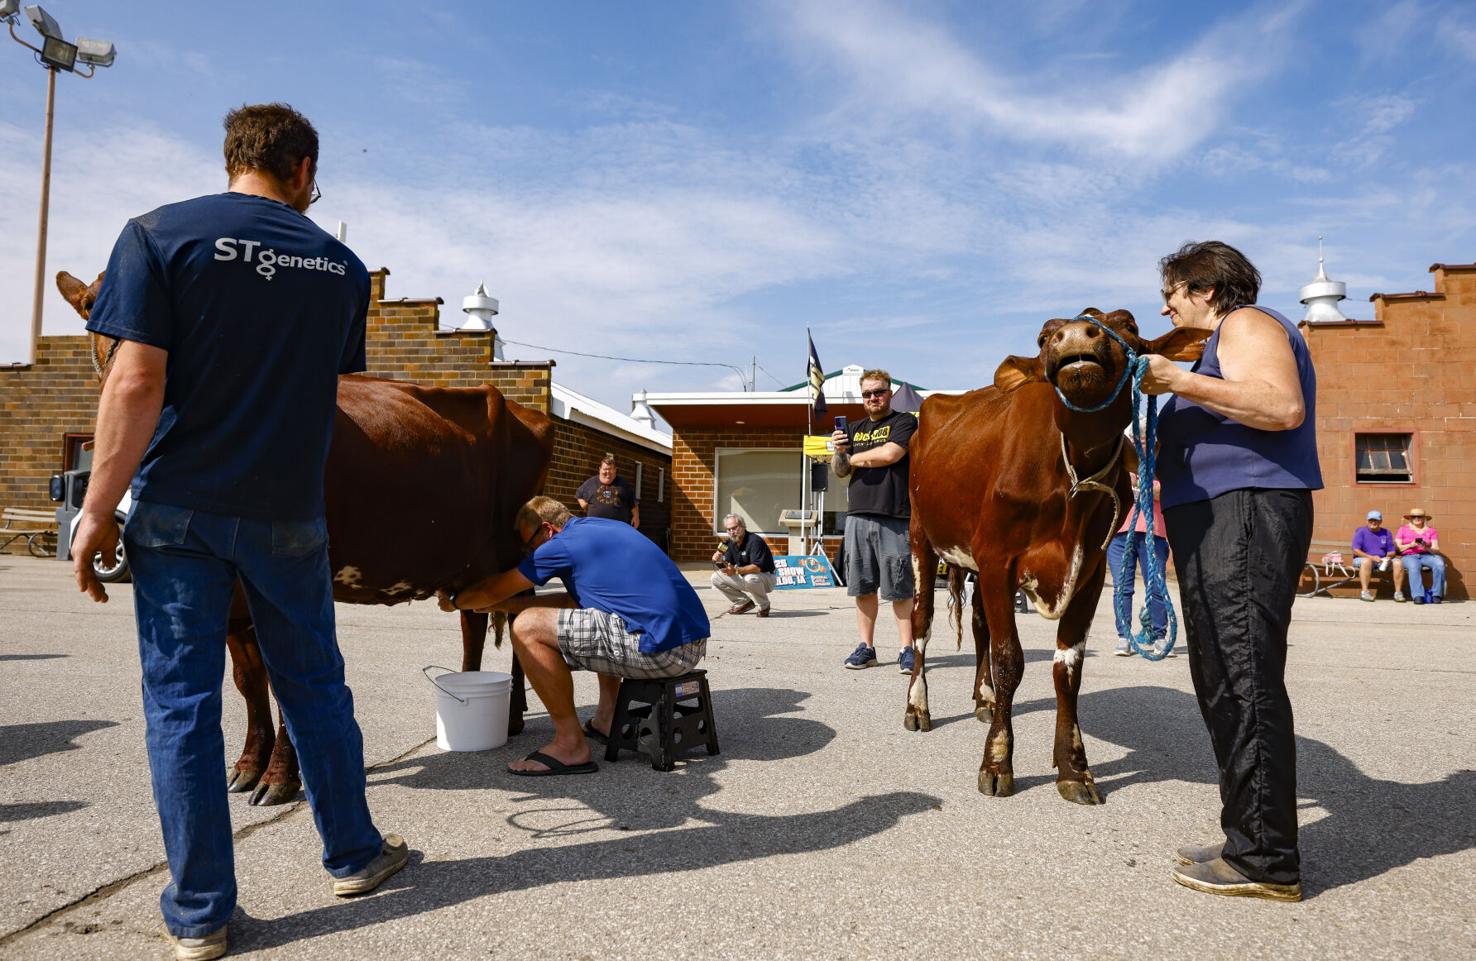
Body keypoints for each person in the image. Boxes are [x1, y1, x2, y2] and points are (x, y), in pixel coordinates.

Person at [72, 104, 405, 960]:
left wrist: (98, 506)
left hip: (179, 507)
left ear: (234, 159)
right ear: (300, 167)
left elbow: (136, 381)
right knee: (315, 687)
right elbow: (332, 391)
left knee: (182, 706)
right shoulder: (341, 267)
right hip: (289, 511)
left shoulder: (155, 236)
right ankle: (356, 853)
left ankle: (201, 914)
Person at [1140, 240, 1322, 902]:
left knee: (1242, 674)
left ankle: (1268, 860)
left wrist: (1178, 381)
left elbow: (1281, 408)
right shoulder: (1216, 348)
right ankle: (1248, 835)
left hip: (1244, 511)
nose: (1164, 303)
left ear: (1208, 289)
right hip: (1214, 516)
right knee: (1222, 676)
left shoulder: (1246, 324)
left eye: (1174, 290)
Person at [439, 496, 708, 775]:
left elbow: (492, 591)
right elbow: (576, 602)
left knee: (527, 627)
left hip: (661, 652)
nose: (528, 553)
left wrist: (455, 601)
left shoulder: (561, 545)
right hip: (689, 644)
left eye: (528, 544)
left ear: (548, 529)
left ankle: (570, 745)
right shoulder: (604, 529)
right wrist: (509, 605)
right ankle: (607, 717)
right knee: (596, 616)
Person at [831, 369, 917, 674]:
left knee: (899, 588)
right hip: (857, 516)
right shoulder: (853, 428)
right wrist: (840, 451)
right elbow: (840, 471)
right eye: (867, 394)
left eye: (878, 392)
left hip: (894, 516)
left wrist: (854, 457)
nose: (872, 398)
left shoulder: (904, 421)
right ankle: (866, 648)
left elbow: (891, 454)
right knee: (863, 587)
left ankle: (908, 649)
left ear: (889, 392)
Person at [1107, 473, 1175, 657]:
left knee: (1156, 587)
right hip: (1120, 532)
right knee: (1121, 588)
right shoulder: (1119, 456)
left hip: (1153, 532)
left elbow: (1167, 490)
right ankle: (1124, 637)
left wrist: (1143, 486)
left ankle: (1160, 637)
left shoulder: (1158, 457)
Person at [710, 513, 777, 616]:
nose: (732, 532)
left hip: (766, 578)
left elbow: (757, 568)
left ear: (742, 526)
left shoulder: (755, 541)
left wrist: (736, 571)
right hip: (744, 576)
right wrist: (719, 559)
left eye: (734, 528)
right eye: (728, 529)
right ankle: (743, 603)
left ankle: (764, 606)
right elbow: (727, 562)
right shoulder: (730, 542)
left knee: (750, 578)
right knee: (716, 577)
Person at [1351, 510, 1405, 602]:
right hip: (1363, 559)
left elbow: (1391, 551)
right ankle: (1364, 592)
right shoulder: (1361, 531)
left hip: (1381, 560)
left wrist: (1388, 557)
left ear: (1380, 521)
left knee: (1398, 563)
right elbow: (1356, 551)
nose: (1373, 522)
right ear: (1367, 521)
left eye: (1376, 520)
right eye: (1371, 520)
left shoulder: (1386, 532)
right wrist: (1371, 557)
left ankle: (1398, 593)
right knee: (1366, 561)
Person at [1395, 507, 1445, 604]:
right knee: (1414, 566)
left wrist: (1426, 547)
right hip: (1409, 556)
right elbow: (1398, 548)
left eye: (1419, 517)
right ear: (1410, 518)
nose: (1417, 518)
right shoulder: (1403, 529)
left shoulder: (1431, 531)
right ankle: (1418, 595)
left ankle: (1436, 594)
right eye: (1414, 517)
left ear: (1424, 518)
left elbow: (1436, 549)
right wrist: (1410, 545)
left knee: (1439, 563)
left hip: (1427, 555)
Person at [576, 453, 640, 528]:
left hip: (617, 528)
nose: (607, 472)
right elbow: (579, 494)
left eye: (610, 469)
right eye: (605, 469)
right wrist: (584, 505)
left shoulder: (624, 485)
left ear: (615, 470)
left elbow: (633, 502)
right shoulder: (590, 483)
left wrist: (636, 516)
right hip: (595, 527)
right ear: (600, 469)